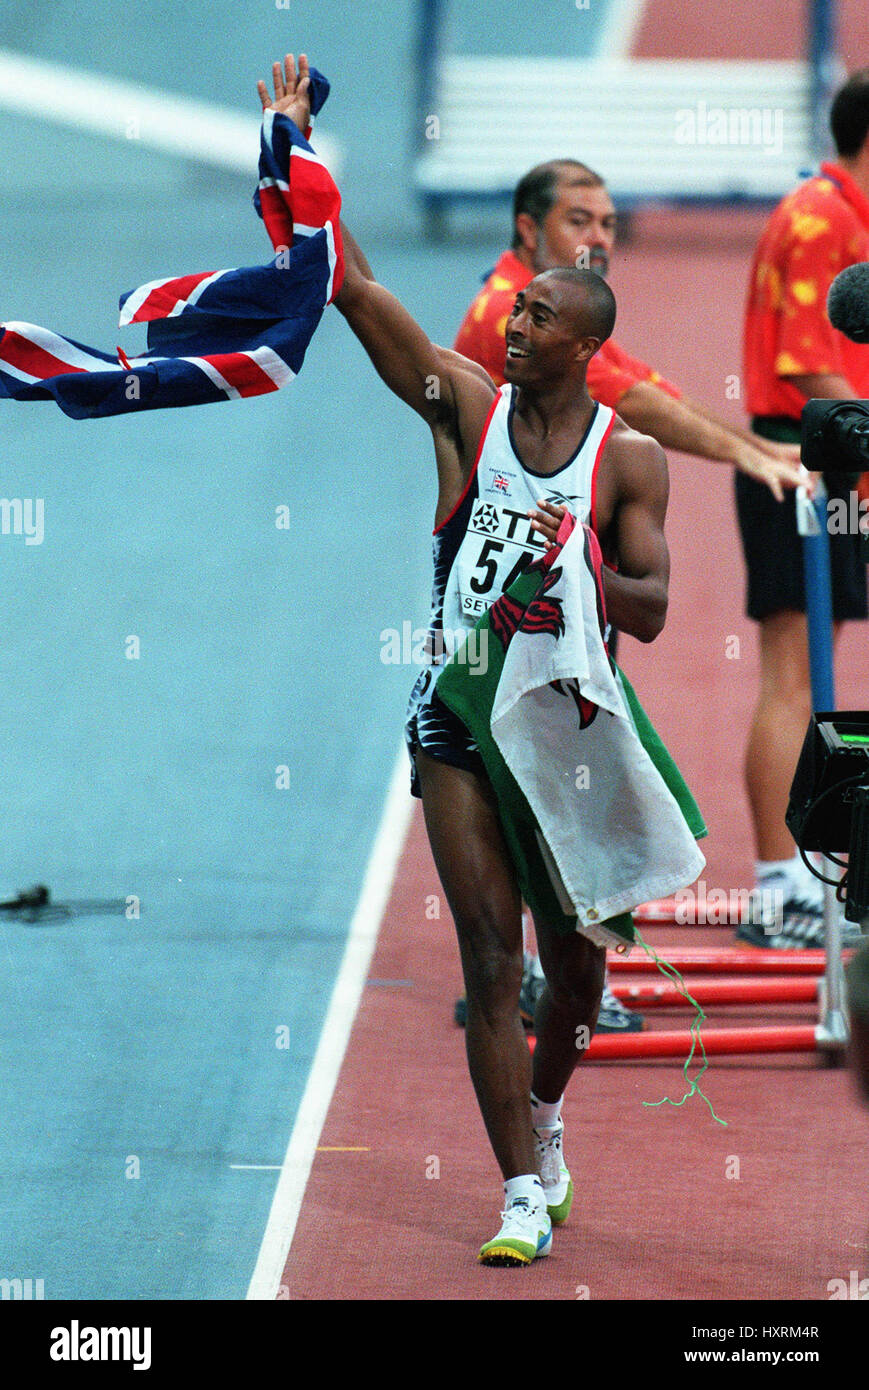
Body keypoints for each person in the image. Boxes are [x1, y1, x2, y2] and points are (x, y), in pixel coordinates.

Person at [257, 54, 689, 1266]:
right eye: (515, 310)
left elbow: (653, 610)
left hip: (568, 723)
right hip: (457, 713)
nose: (511, 322)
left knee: (572, 973)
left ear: (583, 348)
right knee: (488, 954)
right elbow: (352, 287)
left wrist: (588, 568)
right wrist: (294, 147)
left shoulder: (626, 457)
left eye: (537, 318)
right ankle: (512, 1188)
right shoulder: (464, 406)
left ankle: (546, 1116)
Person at [453, 158, 810, 1019]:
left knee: (566, 765)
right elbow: (642, 407)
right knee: (543, 774)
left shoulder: (562, 311)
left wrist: (756, 450)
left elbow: (647, 388)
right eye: (581, 220)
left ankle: (542, 973)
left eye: (610, 222)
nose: (600, 238)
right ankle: (540, 980)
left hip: (559, 589)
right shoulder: (526, 320)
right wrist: (753, 454)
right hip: (506, 601)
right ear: (527, 228)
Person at [736, 69, 869, 947]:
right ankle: (778, 885)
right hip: (801, 466)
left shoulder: (845, 213)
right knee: (794, 672)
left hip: (839, 465)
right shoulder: (823, 220)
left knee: (814, 667)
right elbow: (809, 362)